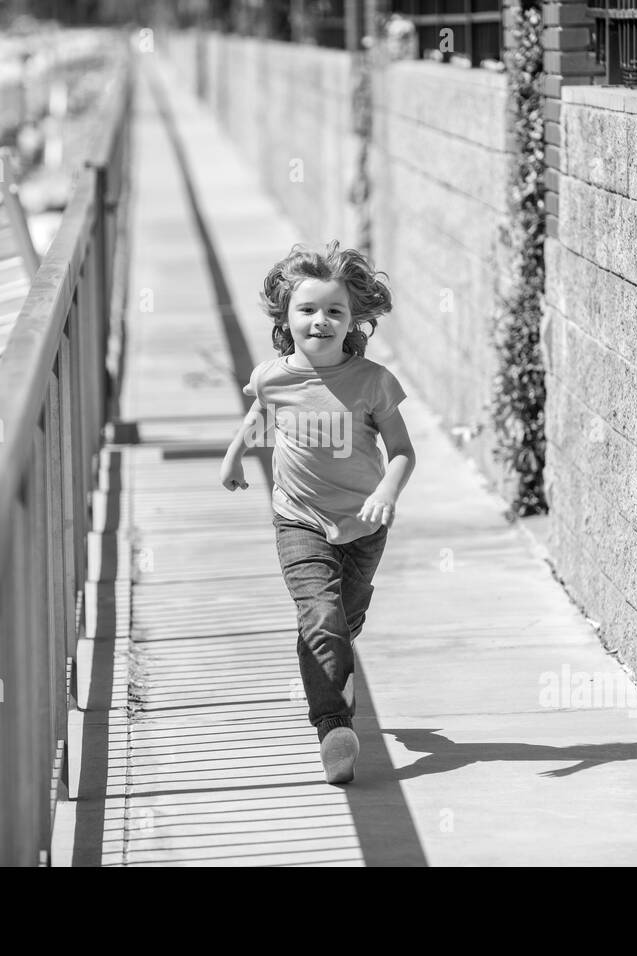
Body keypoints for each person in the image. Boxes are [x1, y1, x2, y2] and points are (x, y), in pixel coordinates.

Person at [219, 241, 416, 784]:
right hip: (298, 517)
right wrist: (236, 455)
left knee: (343, 621)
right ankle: (334, 728)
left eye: (335, 311)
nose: (321, 321)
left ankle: (337, 666)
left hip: (363, 525)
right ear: (286, 317)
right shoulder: (273, 376)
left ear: (354, 320)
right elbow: (262, 414)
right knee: (319, 617)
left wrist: (387, 493)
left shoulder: (373, 382)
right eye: (307, 310)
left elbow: (402, 452)